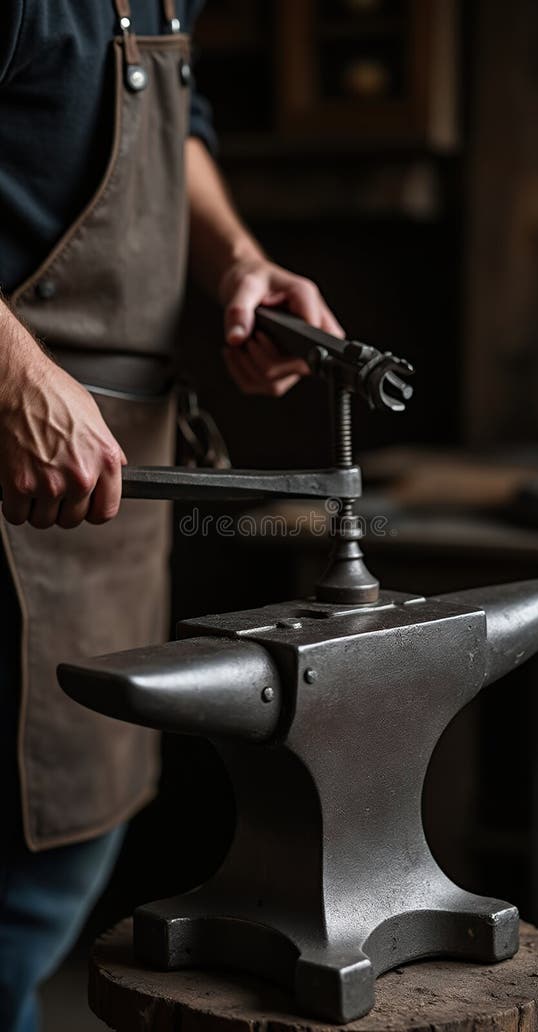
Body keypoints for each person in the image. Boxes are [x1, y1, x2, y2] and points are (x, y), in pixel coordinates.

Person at [0, 2, 343, 1030]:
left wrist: (237, 257)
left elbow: (174, 126)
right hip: (17, 445)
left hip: (108, 478)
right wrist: (10, 375)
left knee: (56, 867)